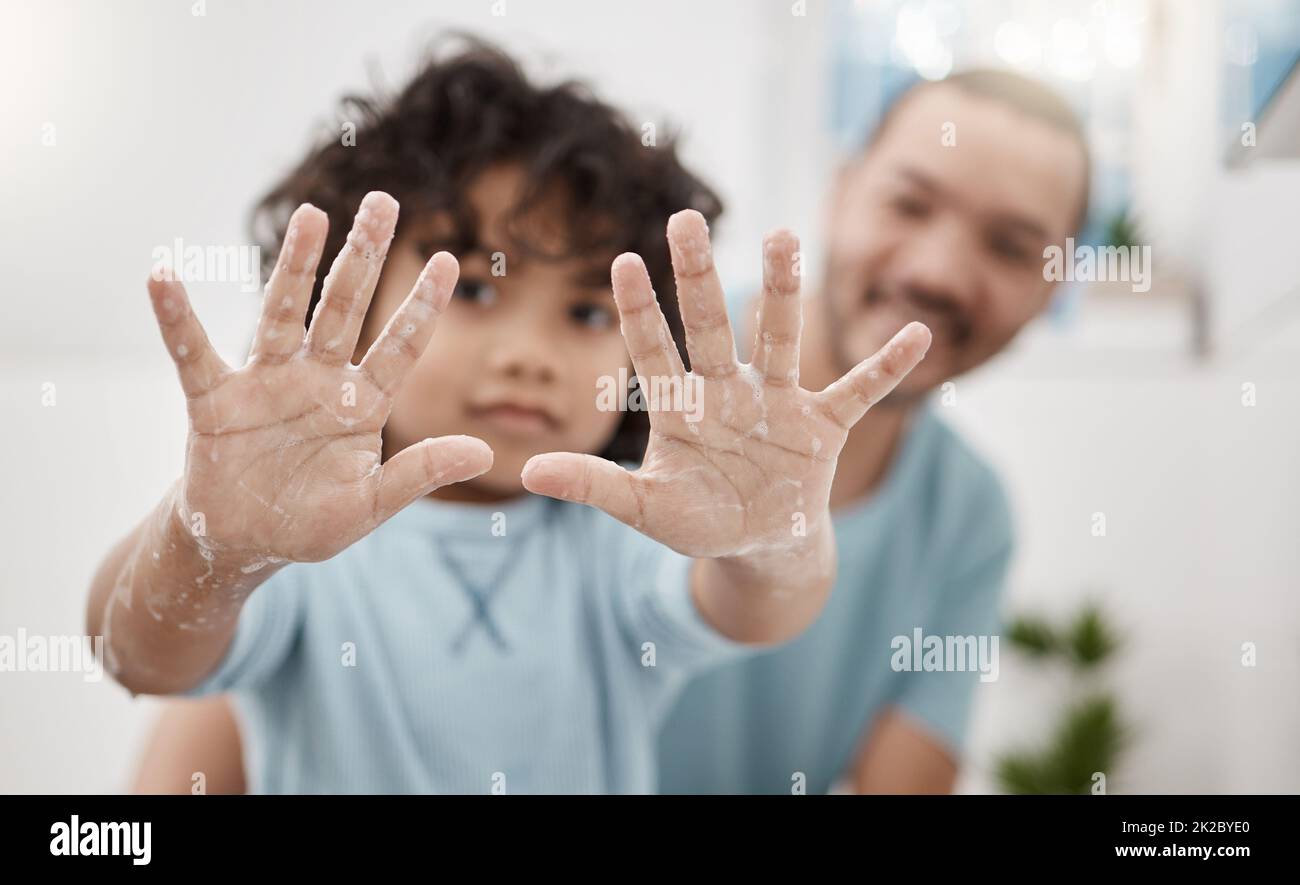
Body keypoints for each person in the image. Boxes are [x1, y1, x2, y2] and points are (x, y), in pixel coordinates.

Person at [91, 39, 930, 793]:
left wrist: (768, 538)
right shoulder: (295, 536)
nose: (531, 354)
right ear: (346, 294)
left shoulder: (621, 540)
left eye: (588, 314)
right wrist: (209, 547)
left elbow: (757, 608)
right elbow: (133, 653)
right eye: (480, 290)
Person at [657, 69, 1091, 793]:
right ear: (841, 192)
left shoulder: (969, 514)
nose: (939, 273)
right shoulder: (624, 371)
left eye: (1012, 248)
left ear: (1056, 287)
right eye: (908, 203)